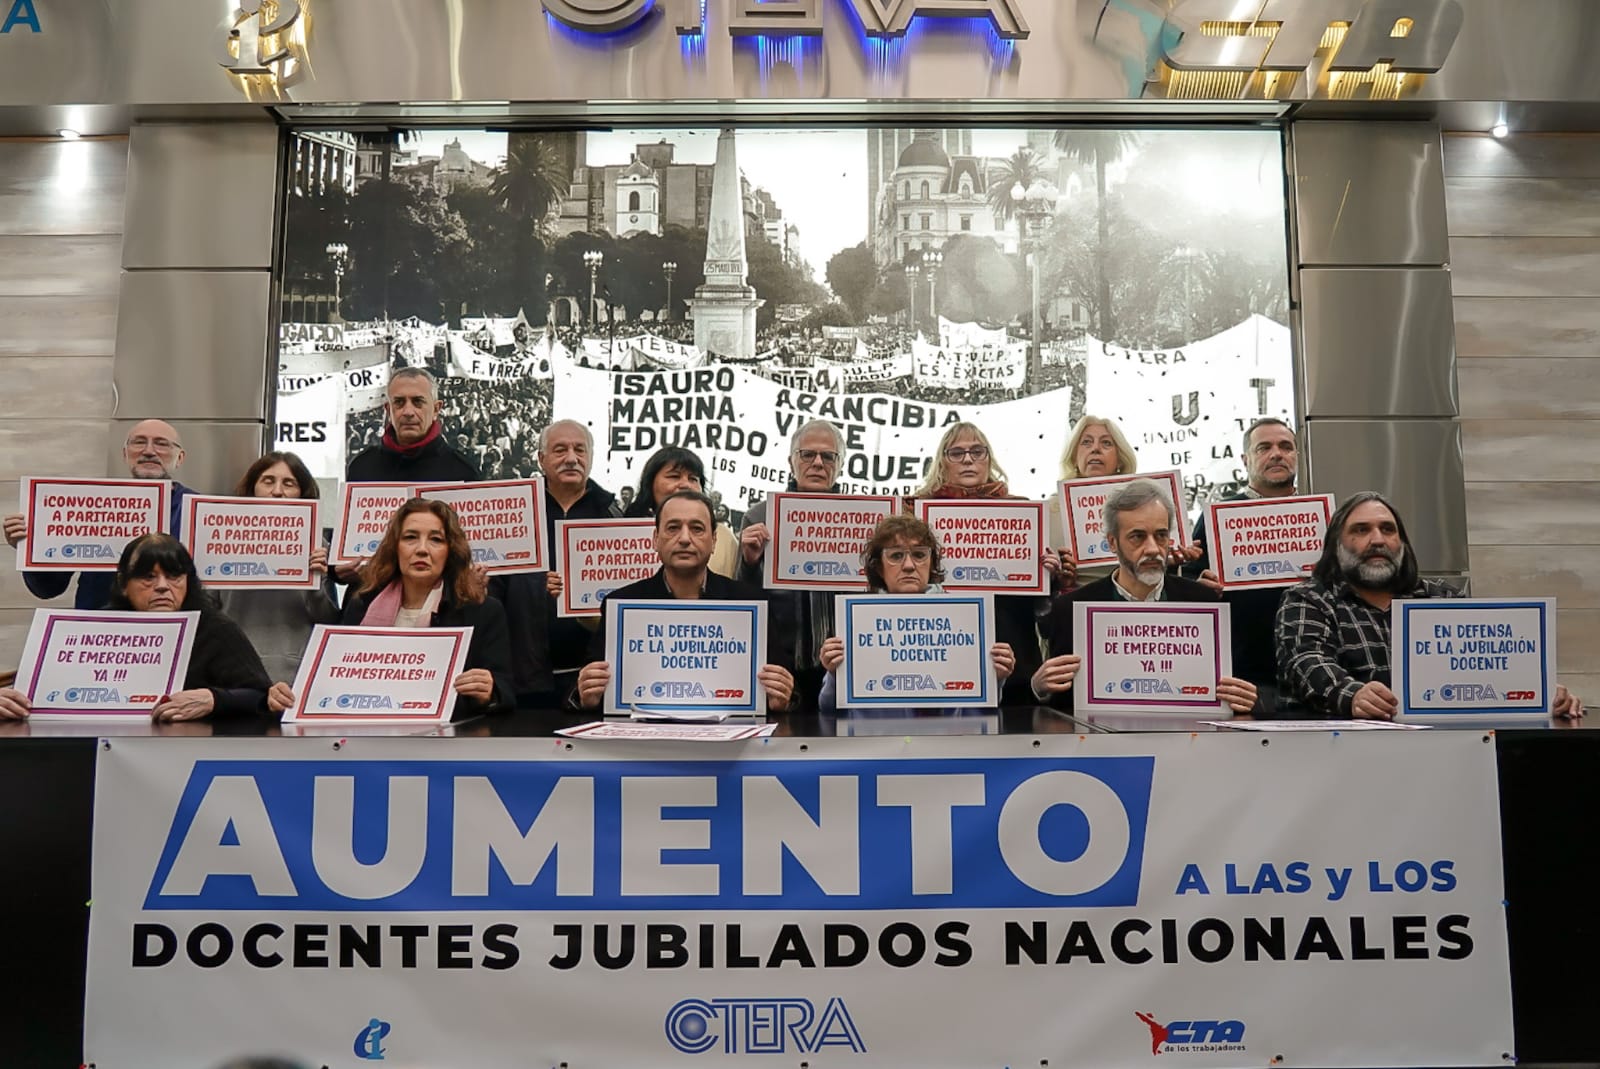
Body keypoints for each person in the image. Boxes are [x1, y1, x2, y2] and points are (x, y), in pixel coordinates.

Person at [1276, 491, 1584, 720]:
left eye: (1387, 529)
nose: (1377, 539)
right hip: (1342, 755)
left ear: (1403, 543)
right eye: (1361, 530)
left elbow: (1485, 665)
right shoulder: (1309, 599)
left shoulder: (1442, 599)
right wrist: (1352, 694)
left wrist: (1541, 691)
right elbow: (1306, 660)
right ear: (1336, 544)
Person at [267, 499, 513, 719]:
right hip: (369, 743)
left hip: (446, 749)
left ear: (450, 551)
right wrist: (291, 694)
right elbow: (330, 681)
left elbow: (506, 692)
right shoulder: (361, 604)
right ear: (395, 547)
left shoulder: (482, 612)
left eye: (436, 539)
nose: (422, 549)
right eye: (410, 537)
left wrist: (491, 692)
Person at [1036, 479, 1258, 714]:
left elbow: (1232, 691)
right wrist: (1040, 689)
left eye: (1161, 535)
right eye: (1137, 537)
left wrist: (1245, 699)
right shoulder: (1071, 609)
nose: (1153, 548)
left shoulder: (1204, 602)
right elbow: (1061, 706)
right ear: (1113, 542)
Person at [0, 534, 272, 722]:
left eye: (174, 576)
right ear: (123, 583)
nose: (163, 586)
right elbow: (30, 693)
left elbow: (263, 696)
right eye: (148, 577)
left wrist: (216, 699)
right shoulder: (94, 628)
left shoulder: (216, 628)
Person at [576, 489, 796, 713]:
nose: (684, 538)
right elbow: (590, 691)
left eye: (697, 529)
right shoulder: (620, 604)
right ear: (655, 539)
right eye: (673, 528)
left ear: (714, 541)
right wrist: (585, 695)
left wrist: (783, 699)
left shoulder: (751, 603)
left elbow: (785, 692)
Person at [910, 421, 1058, 707]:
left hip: (1011, 645)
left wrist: (1048, 575)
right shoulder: (915, 513)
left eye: (977, 451)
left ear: (989, 459)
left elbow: (1039, 607)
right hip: (941, 647)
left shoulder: (1021, 511)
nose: (968, 459)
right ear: (942, 461)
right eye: (957, 453)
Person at [817, 515, 1015, 715]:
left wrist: (994, 678)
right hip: (872, 741)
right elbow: (828, 710)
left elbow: (979, 714)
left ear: (931, 564)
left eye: (919, 555)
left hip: (948, 741)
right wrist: (835, 673)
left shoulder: (963, 619)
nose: (909, 565)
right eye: (896, 556)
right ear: (879, 567)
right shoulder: (856, 621)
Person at [492, 419, 621, 707]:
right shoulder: (515, 511)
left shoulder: (613, 516)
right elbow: (494, 592)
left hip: (592, 683)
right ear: (541, 459)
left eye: (580, 450)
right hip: (525, 681)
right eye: (560, 450)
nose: (571, 458)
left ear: (590, 457)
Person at [3, 419, 194, 610]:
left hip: (177, 630)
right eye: (139, 442)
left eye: (161, 444)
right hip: (99, 632)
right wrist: (30, 546)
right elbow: (47, 589)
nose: (149, 451)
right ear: (125, 453)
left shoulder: (198, 511)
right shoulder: (89, 506)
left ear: (180, 458)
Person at [1182, 417, 1300, 715]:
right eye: (1264, 448)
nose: (1276, 454)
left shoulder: (1321, 516)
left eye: (1286, 447)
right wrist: (1199, 588)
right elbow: (1190, 585)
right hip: (1242, 676)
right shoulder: (1216, 517)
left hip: (1309, 672)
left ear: (1297, 456)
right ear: (1245, 459)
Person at [737, 420, 847, 713]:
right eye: (807, 455)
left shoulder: (861, 519)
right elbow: (741, 602)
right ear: (791, 461)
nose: (818, 463)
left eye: (828, 456)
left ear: (841, 465)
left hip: (844, 666)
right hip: (781, 669)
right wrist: (748, 562)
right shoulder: (759, 517)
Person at [215, 452, 339, 683]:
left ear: (302, 493)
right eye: (268, 481)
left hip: (296, 675)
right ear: (253, 488)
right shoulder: (220, 537)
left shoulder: (318, 546)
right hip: (231, 672)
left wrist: (316, 583)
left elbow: (329, 622)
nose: (278, 491)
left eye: (289, 483)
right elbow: (207, 610)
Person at [345, 368, 480, 484]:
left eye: (418, 402)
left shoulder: (462, 472)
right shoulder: (362, 467)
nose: (408, 412)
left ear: (436, 409)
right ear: (388, 410)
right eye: (399, 402)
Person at [620, 445, 737, 578]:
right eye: (674, 476)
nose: (685, 484)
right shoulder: (624, 536)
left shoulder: (724, 537)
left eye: (693, 479)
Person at [1058, 414, 1137, 480]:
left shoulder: (1140, 498)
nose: (1095, 448)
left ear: (1120, 460)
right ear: (1074, 458)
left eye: (1106, 443)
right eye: (1087, 442)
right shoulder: (1058, 499)